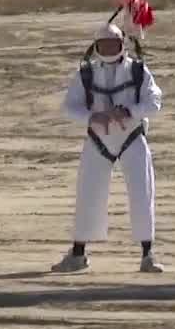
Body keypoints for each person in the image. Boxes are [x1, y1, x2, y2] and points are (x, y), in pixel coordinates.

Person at [52, 19, 164, 273]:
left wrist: (129, 111)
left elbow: (155, 100)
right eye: (104, 44)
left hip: (132, 138)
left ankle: (148, 255)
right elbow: (70, 106)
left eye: (114, 44)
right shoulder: (86, 73)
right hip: (97, 140)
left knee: (142, 194)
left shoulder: (138, 71)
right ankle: (78, 255)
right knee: (87, 195)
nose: (109, 48)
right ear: (96, 46)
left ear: (122, 44)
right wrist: (93, 117)